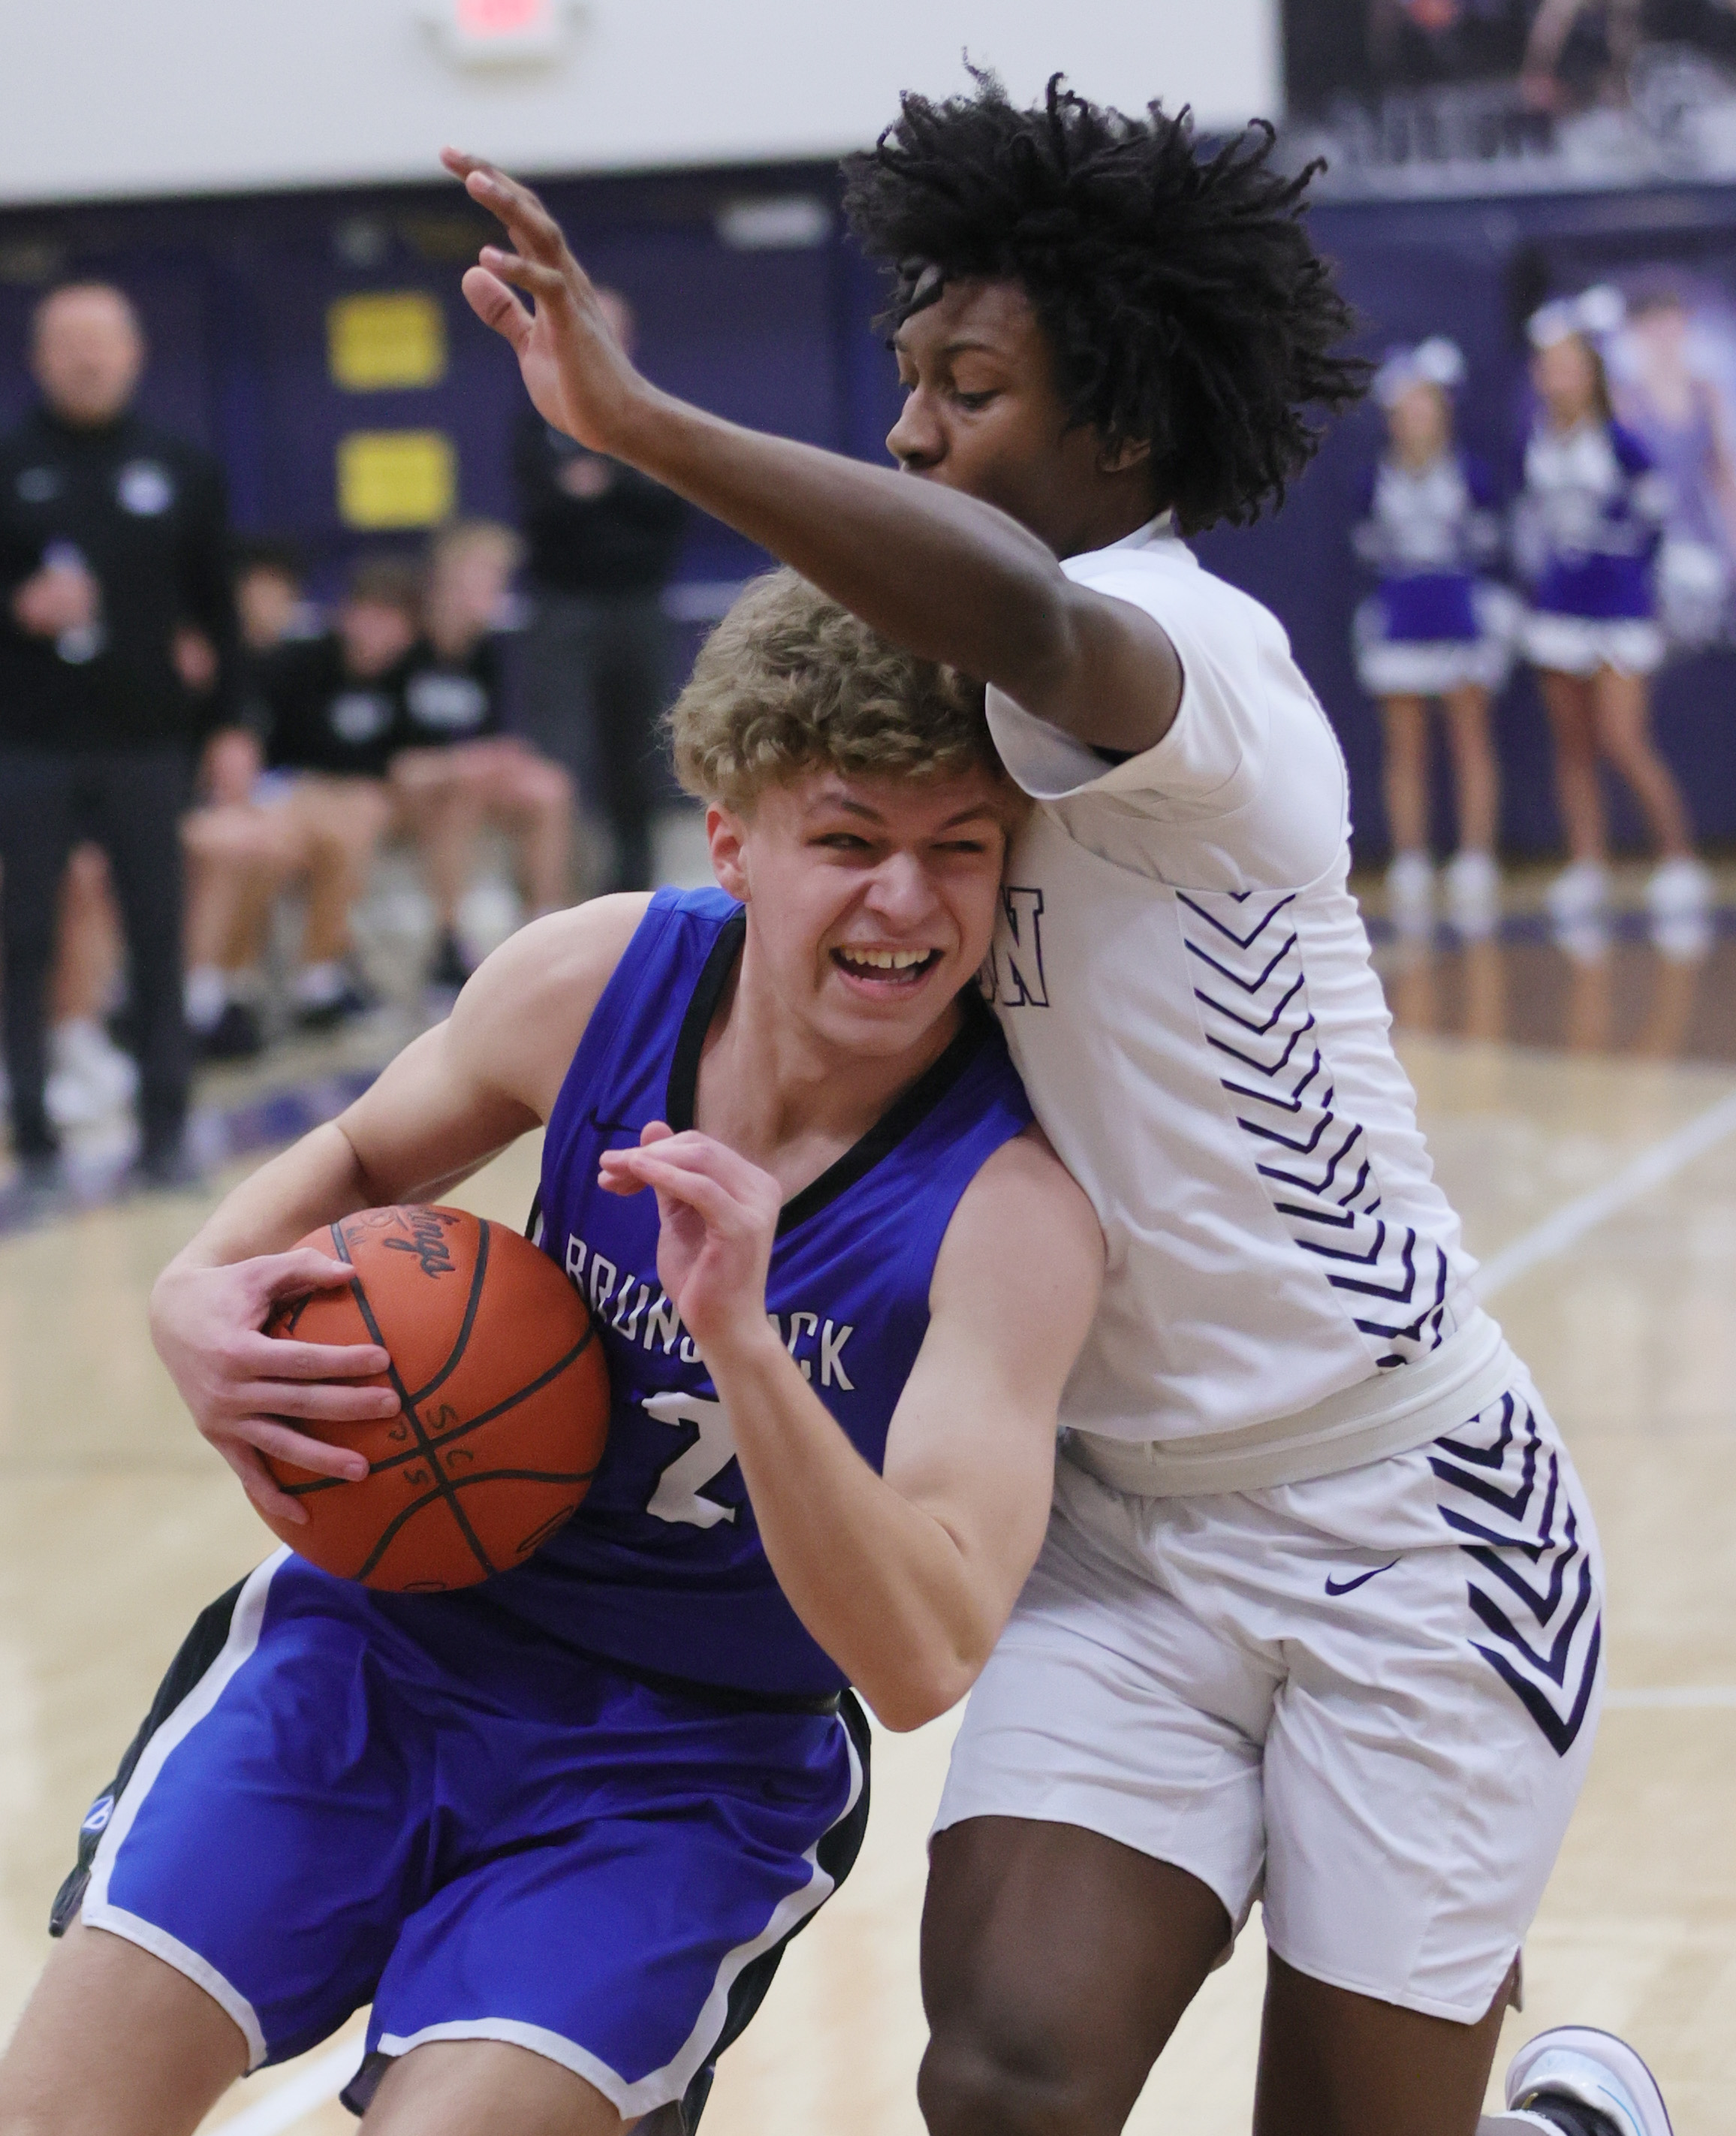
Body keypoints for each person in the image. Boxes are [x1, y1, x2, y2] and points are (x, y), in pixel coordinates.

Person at [433, 78, 1674, 2136]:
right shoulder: (958, 719)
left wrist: (642, 423)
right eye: (907, 378)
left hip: (1401, 1509)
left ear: (1124, 431)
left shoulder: (1195, 659)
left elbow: (1026, 615)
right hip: (1117, 1523)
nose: (912, 426)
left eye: (971, 387)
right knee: (1005, 2077)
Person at [0, 570, 1101, 2136]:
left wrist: (743, 1337)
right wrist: (196, 1290)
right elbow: (368, 1156)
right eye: (849, 842)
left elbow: (923, 1659)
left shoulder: (1009, 1207)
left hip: (687, 1767)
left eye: (958, 852)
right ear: (733, 843)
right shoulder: (596, 980)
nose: (906, 906)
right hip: (381, 1651)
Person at [0, 281, 240, 1187]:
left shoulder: (178, 465)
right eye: (69, 344)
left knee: (156, 930)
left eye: (103, 342)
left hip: (146, 742)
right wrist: (17, 606)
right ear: (39, 357)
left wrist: (228, 726)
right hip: (27, 744)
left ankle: (166, 1129)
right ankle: (33, 1130)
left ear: (135, 354)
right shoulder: (9, 460)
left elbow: (216, 609)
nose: (88, 359)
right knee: (25, 934)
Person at [1516, 294, 1710, 932]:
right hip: (1560, 609)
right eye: (1547, 366)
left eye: (1569, 365)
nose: (1557, 377)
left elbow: (1655, 523)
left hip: (1620, 608)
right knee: (1572, 747)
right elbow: (1532, 527)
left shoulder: (1625, 444)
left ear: (1592, 373)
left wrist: (1631, 572)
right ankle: (1588, 865)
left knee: (1623, 739)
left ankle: (1679, 860)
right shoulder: (1534, 443)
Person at [514, 286, 686, 894]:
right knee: (560, 757)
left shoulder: (654, 411)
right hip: (563, 609)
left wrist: (605, 483)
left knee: (639, 752)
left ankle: (636, 884)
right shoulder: (541, 413)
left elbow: (670, 503)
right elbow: (542, 512)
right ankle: (553, 890)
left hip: (637, 607)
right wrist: (616, 490)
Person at [1352, 336, 1512, 939]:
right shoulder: (1373, 483)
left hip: (1461, 621)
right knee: (1406, 747)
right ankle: (1411, 858)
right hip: (1399, 622)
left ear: (1443, 413)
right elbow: (1367, 549)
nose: (1416, 420)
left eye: (1426, 407)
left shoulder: (1471, 477)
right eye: (1405, 410)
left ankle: (1476, 857)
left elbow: (1491, 548)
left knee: (1470, 739)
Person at [391, 517, 574, 988]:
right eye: (486, 575)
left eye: (501, 577)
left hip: (460, 775)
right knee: (462, 785)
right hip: (399, 781)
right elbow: (392, 757)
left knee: (548, 788)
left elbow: (488, 738)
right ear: (448, 577)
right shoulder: (405, 646)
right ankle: (448, 944)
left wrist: (497, 758)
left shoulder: (484, 653)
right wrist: (464, 764)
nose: (497, 589)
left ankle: (544, 930)